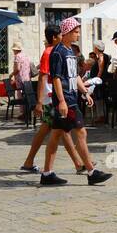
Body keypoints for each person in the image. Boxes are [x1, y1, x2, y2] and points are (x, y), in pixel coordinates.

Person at [40, 18, 112, 186]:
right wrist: (62, 101)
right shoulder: (58, 52)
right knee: (81, 132)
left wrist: (85, 92)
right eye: (76, 31)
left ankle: (47, 173)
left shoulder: (70, 51)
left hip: (71, 97)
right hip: (66, 100)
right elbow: (56, 78)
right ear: (67, 33)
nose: (78, 34)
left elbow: (76, 76)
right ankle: (91, 171)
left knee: (56, 134)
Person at [20, 27, 82, 174]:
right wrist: (40, 102)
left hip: (51, 98)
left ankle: (30, 162)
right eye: (60, 34)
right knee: (60, 130)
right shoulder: (50, 53)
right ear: (55, 37)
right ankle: (78, 164)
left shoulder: (57, 51)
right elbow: (43, 77)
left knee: (56, 130)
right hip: (50, 98)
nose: (63, 36)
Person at [10, 42, 34, 123]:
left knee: (21, 96)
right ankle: (27, 112)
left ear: (15, 50)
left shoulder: (17, 57)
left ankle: (24, 113)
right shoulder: (26, 56)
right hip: (27, 79)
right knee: (27, 96)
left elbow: (17, 69)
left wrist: (11, 74)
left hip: (20, 79)